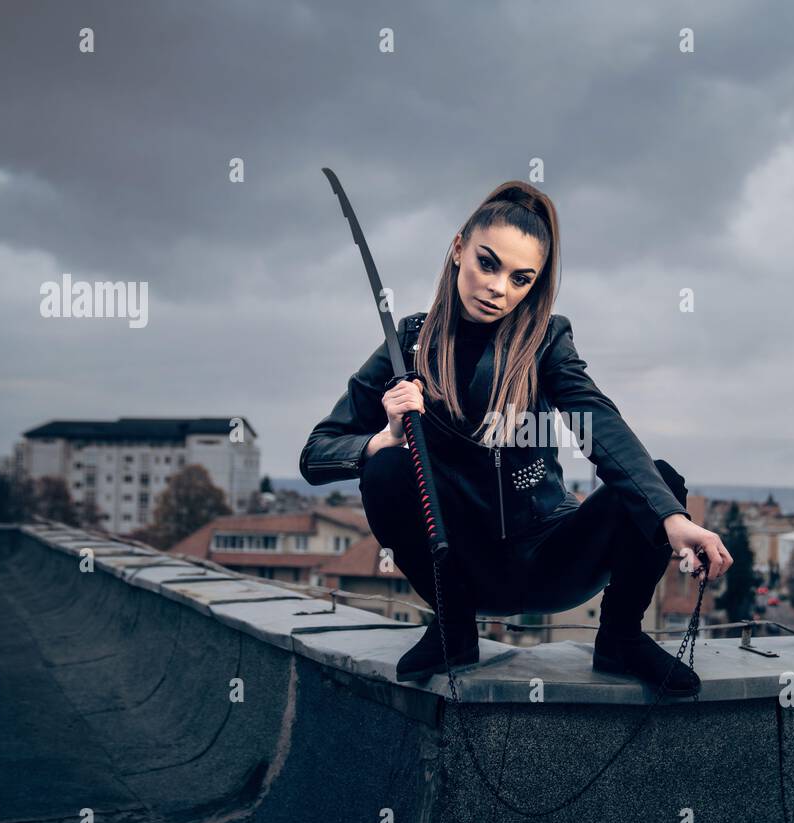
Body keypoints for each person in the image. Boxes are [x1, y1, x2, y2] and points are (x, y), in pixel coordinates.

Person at [300, 180, 732, 694]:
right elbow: (316, 454)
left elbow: (598, 421)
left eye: (521, 278)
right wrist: (382, 438)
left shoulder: (546, 340)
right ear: (458, 249)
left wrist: (670, 517)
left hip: (551, 559)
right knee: (385, 467)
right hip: (459, 566)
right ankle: (454, 632)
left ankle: (620, 640)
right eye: (488, 264)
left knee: (661, 481)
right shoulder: (407, 345)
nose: (499, 289)